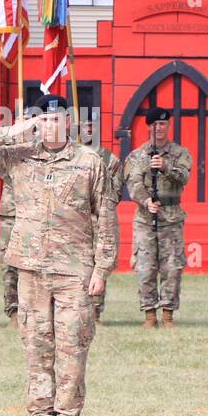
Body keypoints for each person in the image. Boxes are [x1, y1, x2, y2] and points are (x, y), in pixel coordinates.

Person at [0, 94, 118, 416]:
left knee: (73, 347)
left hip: (74, 269)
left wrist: (102, 267)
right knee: (36, 349)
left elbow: (106, 217)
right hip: (30, 270)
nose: (50, 126)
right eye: (43, 120)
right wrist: (9, 132)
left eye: (56, 120)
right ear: (35, 123)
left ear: (68, 122)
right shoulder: (17, 156)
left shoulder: (89, 162)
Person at [122, 107, 193, 328]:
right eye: (154, 124)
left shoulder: (180, 153)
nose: (159, 128)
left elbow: (184, 177)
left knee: (172, 268)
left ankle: (168, 315)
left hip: (171, 219)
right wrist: (146, 201)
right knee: (145, 268)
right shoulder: (137, 155)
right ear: (148, 127)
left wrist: (166, 167)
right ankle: (149, 316)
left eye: (163, 124)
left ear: (168, 126)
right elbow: (133, 185)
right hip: (145, 220)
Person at [80, 116, 121, 322]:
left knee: (98, 263)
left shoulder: (109, 160)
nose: (88, 129)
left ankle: (95, 311)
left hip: (97, 220)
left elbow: (117, 191)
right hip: (73, 222)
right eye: (85, 126)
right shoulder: (71, 155)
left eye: (92, 126)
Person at [0, 163, 18, 329]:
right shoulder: (8, 151)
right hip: (10, 214)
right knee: (8, 266)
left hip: (37, 214)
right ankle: (14, 312)